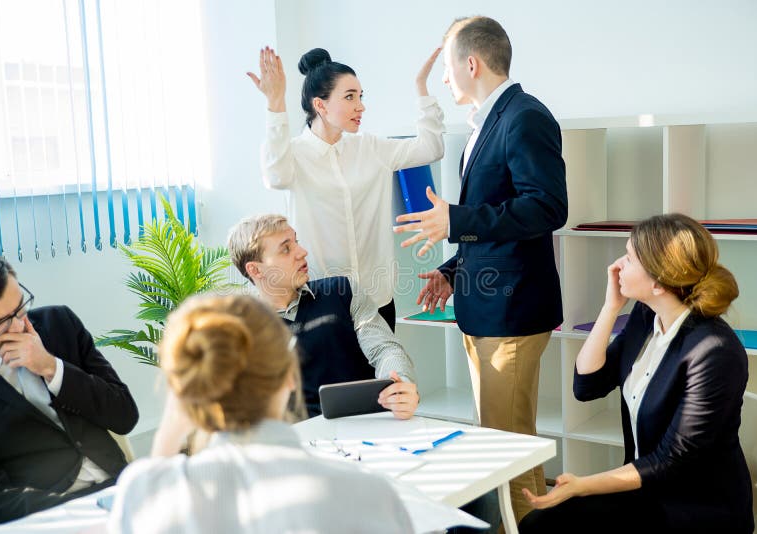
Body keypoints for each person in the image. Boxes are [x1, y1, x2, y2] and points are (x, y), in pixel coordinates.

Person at [394, 16, 568, 525]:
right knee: (508, 444)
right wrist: (453, 271)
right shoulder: (488, 122)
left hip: (510, 313)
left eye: (448, 67)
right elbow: (496, 220)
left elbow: (547, 207)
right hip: (487, 310)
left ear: (471, 64)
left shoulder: (524, 118)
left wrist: (455, 220)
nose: (446, 78)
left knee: (505, 450)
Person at [519, 214, 753, 533]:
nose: (617, 265)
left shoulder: (713, 351)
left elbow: (672, 461)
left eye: (629, 257)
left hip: (696, 506)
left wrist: (582, 485)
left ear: (658, 282)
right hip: (646, 490)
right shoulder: (647, 316)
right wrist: (610, 307)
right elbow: (587, 385)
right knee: (538, 523)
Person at [108, 293, 416, 533]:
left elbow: (147, 486)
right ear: (290, 376)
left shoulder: (146, 495)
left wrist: (171, 427)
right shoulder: (367, 494)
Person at [247, 45, 445, 331]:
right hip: (319, 303)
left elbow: (431, 148)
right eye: (350, 97)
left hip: (377, 302)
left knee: (385, 362)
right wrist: (275, 102)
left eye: (361, 96)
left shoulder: (371, 148)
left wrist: (421, 88)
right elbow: (275, 176)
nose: (360, 106)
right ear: (320, 105)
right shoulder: (294, 156)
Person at [0, 248, 138, 527]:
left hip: (120, 489)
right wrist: (76, 514)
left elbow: (125, 415)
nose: (18, 327)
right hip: (48, 516)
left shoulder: (59, 323)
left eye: (19, 308)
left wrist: (52, 367)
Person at [227, 214, 419, 419]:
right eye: (286, 249)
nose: (302, 252)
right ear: (255, 269)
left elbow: (385, 349)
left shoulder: (343, 291)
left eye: (296, 242)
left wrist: (399, 385)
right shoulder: (244, 329)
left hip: (365, 423)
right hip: (298, 434)